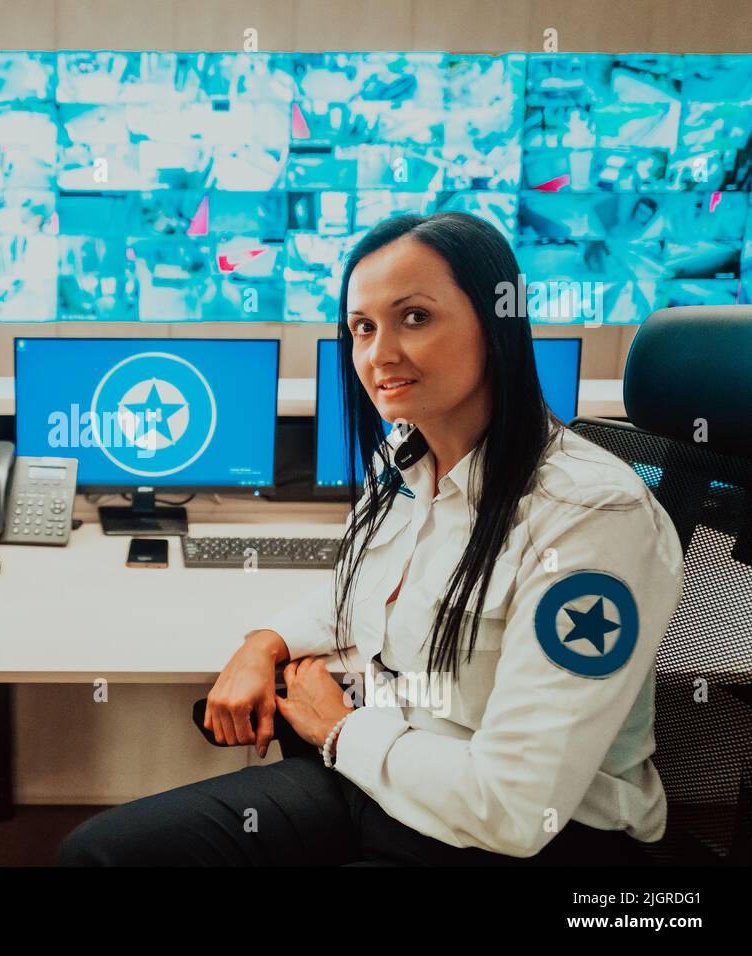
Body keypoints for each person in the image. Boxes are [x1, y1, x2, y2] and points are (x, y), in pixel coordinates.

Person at [59, 211, 684, 866]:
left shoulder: (590, 517)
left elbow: (515, 807)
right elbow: (361, 590)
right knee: (99, 855)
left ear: (496, 325)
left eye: (414, 317)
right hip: (387, 776)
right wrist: (261, 643)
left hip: (522, 838)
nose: (379, 353)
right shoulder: (405, 454)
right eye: (363, 327)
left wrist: (338, 728)